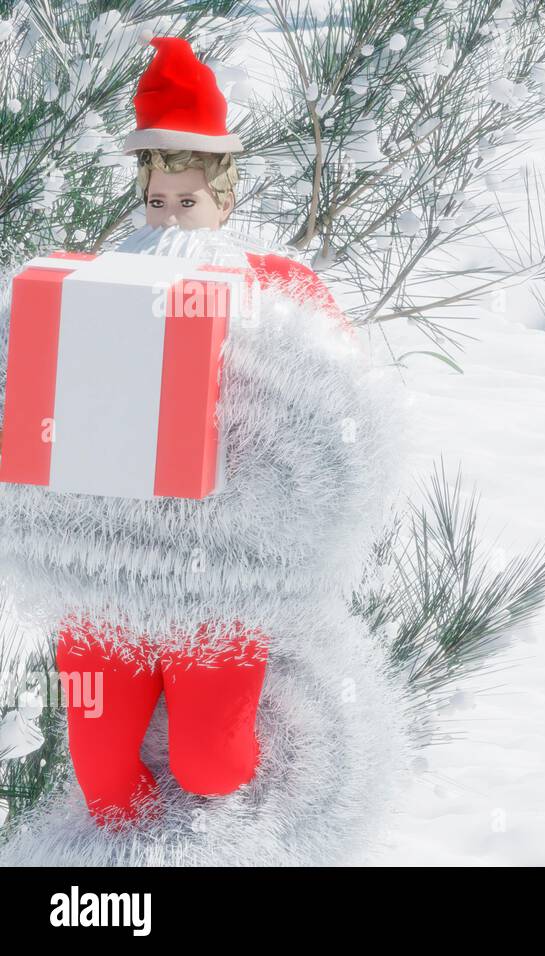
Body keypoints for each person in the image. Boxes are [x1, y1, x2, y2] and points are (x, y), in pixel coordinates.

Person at [1, 36, 400, 829]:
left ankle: (237, 827)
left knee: (209, 765)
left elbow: (344, 422)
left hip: (217, 579)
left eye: (188, 203)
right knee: (105, 782)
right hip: (99, 576)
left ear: (224, 198)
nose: (170, 219)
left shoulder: (277, 291)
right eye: (157, 202)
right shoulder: (86, 287)